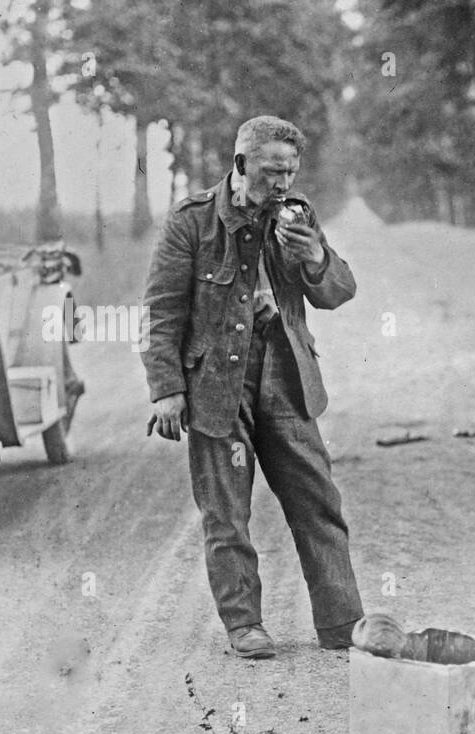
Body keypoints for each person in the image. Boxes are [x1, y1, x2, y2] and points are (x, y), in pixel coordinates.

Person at [141, 115, 364, 659]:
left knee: (318, 503)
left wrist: (313, 254)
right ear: (240, 165)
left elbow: (339, 292)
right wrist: (166, 389)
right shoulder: (192, 222)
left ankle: (342, 624)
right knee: (226, 513)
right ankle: (245, 626)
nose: (283, 185)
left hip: (285, 378)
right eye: (271, 173)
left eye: (289, 172)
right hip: (218, 384)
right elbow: (159, 312)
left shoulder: (298, 217)